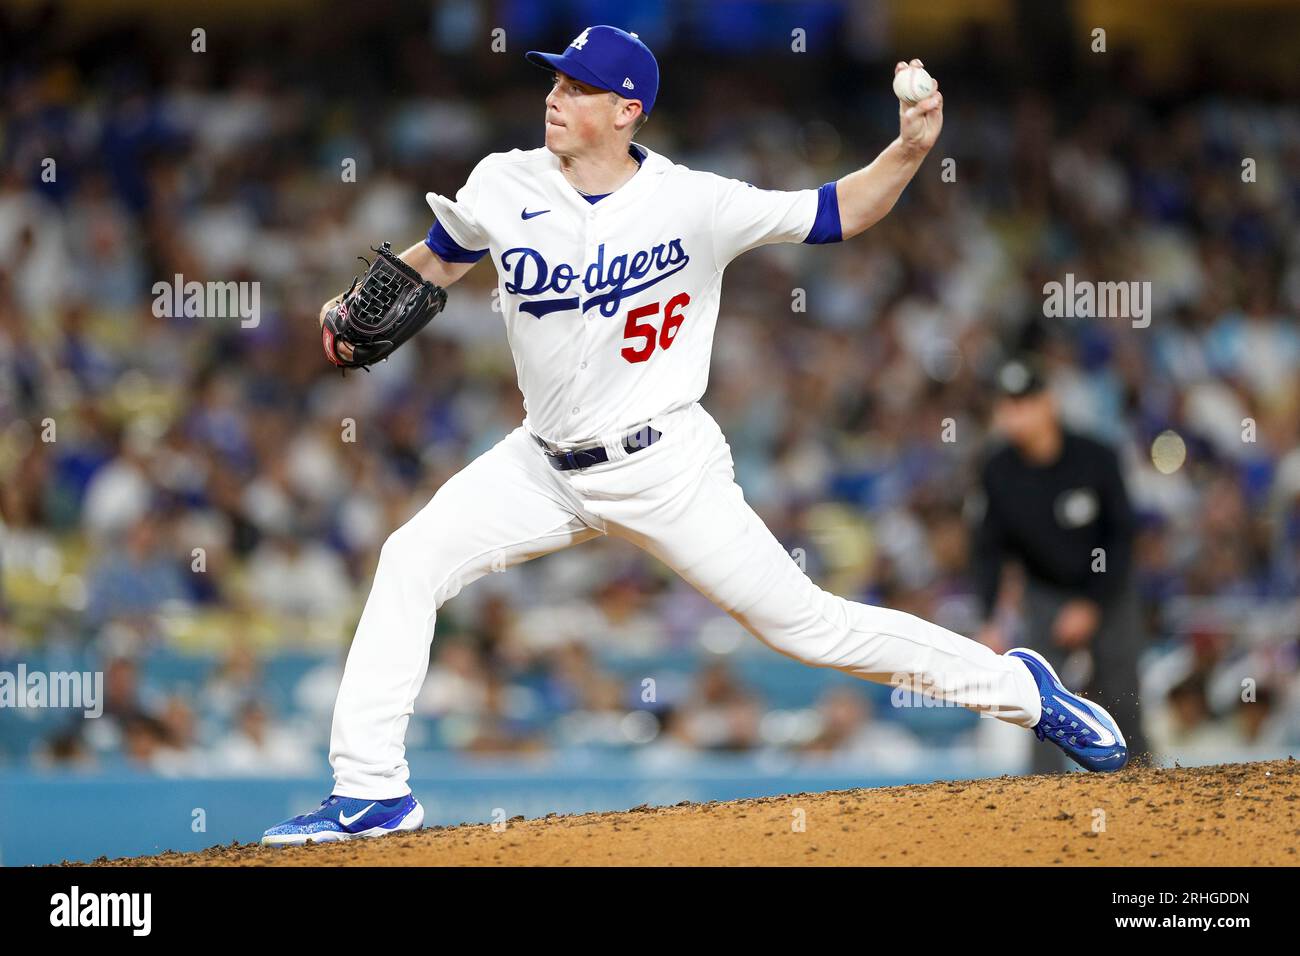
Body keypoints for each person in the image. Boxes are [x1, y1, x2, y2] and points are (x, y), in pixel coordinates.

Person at [263, 26, 1127, 846]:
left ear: (628, 109)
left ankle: (1024, 690)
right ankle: (371, 793)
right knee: (410, 559)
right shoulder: (504, 180)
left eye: (578, 87)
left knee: (810, 629)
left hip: (665, 466)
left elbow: (837, 213)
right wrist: (358, 309)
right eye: (555, 81)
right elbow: (442, 258)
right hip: (542, 461)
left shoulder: (694, 203)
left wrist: (905, 151)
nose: (555, 97)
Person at [972, 357, 1150, 772]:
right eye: (1007, 404)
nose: (1015, 413)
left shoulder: (1096, 457)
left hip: (1107, 593)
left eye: (1025, 401)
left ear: (1048, 403)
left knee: (1121, 694)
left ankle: (1142, 790)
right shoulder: (998, 470)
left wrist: (1091, 602)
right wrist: (989, 615)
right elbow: (988, 548)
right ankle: (1046, 802)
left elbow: (1121, 536)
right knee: (1036, 703)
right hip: (1045, 592)